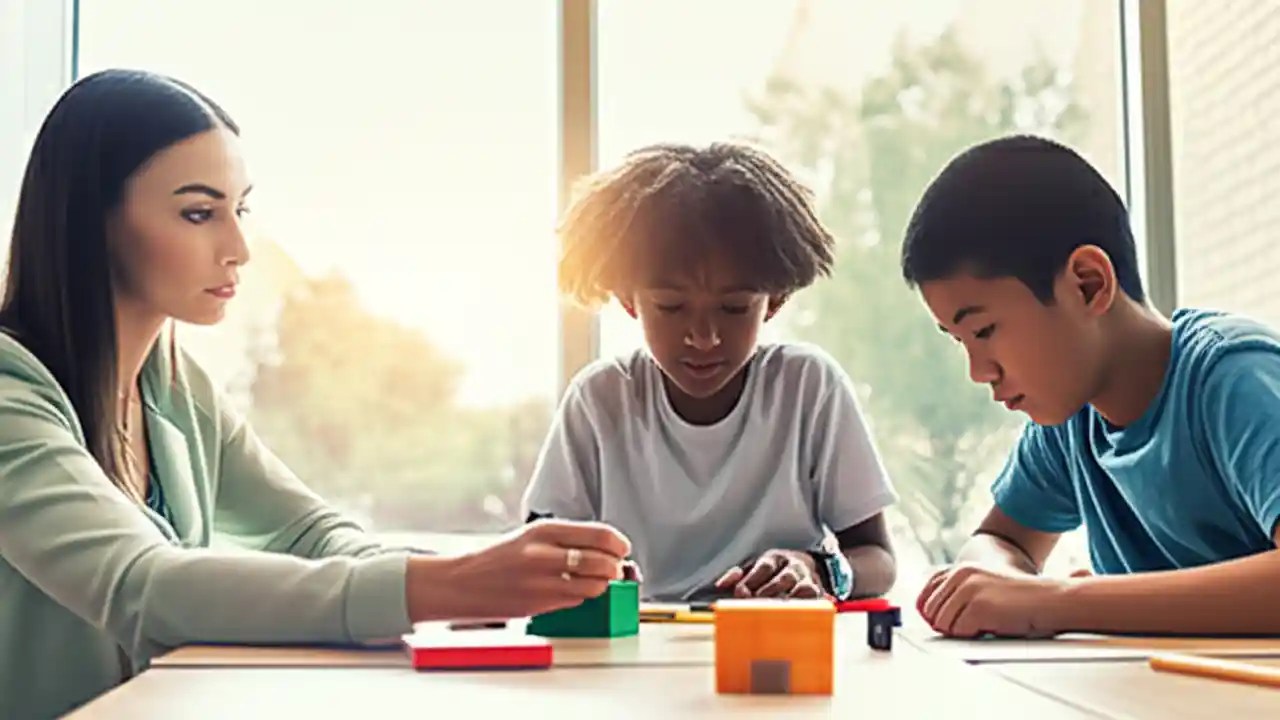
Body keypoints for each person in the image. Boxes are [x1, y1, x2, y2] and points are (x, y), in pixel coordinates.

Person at [0, 69, 629, 719]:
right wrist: (451, 586)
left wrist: (497, 577)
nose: (239, 247)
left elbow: (308, 532)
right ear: (91, 221)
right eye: (198, 213)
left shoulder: (177, 389)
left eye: (239, 209)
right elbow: (140, 585)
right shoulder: (9, 397)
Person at [905, 135, 1280, 638]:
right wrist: (1008, 587)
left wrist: (1062, 603)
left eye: (985, 331)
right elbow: (999, 541)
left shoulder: (1233, 378)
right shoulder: (1073, 421)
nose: (979, 371)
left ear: (1088, 284)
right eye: (959, 341)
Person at [522, 142, 898, 603]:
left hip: (771, 648)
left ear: (774, 300)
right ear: (627, 299)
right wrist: (580, 573)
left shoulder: (808, 388)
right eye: (671, 307)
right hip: (638, 652)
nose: (704, 337)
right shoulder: (600, 399)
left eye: (734, 308)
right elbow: (537, 555)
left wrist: (816, 568)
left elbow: (877, 557)